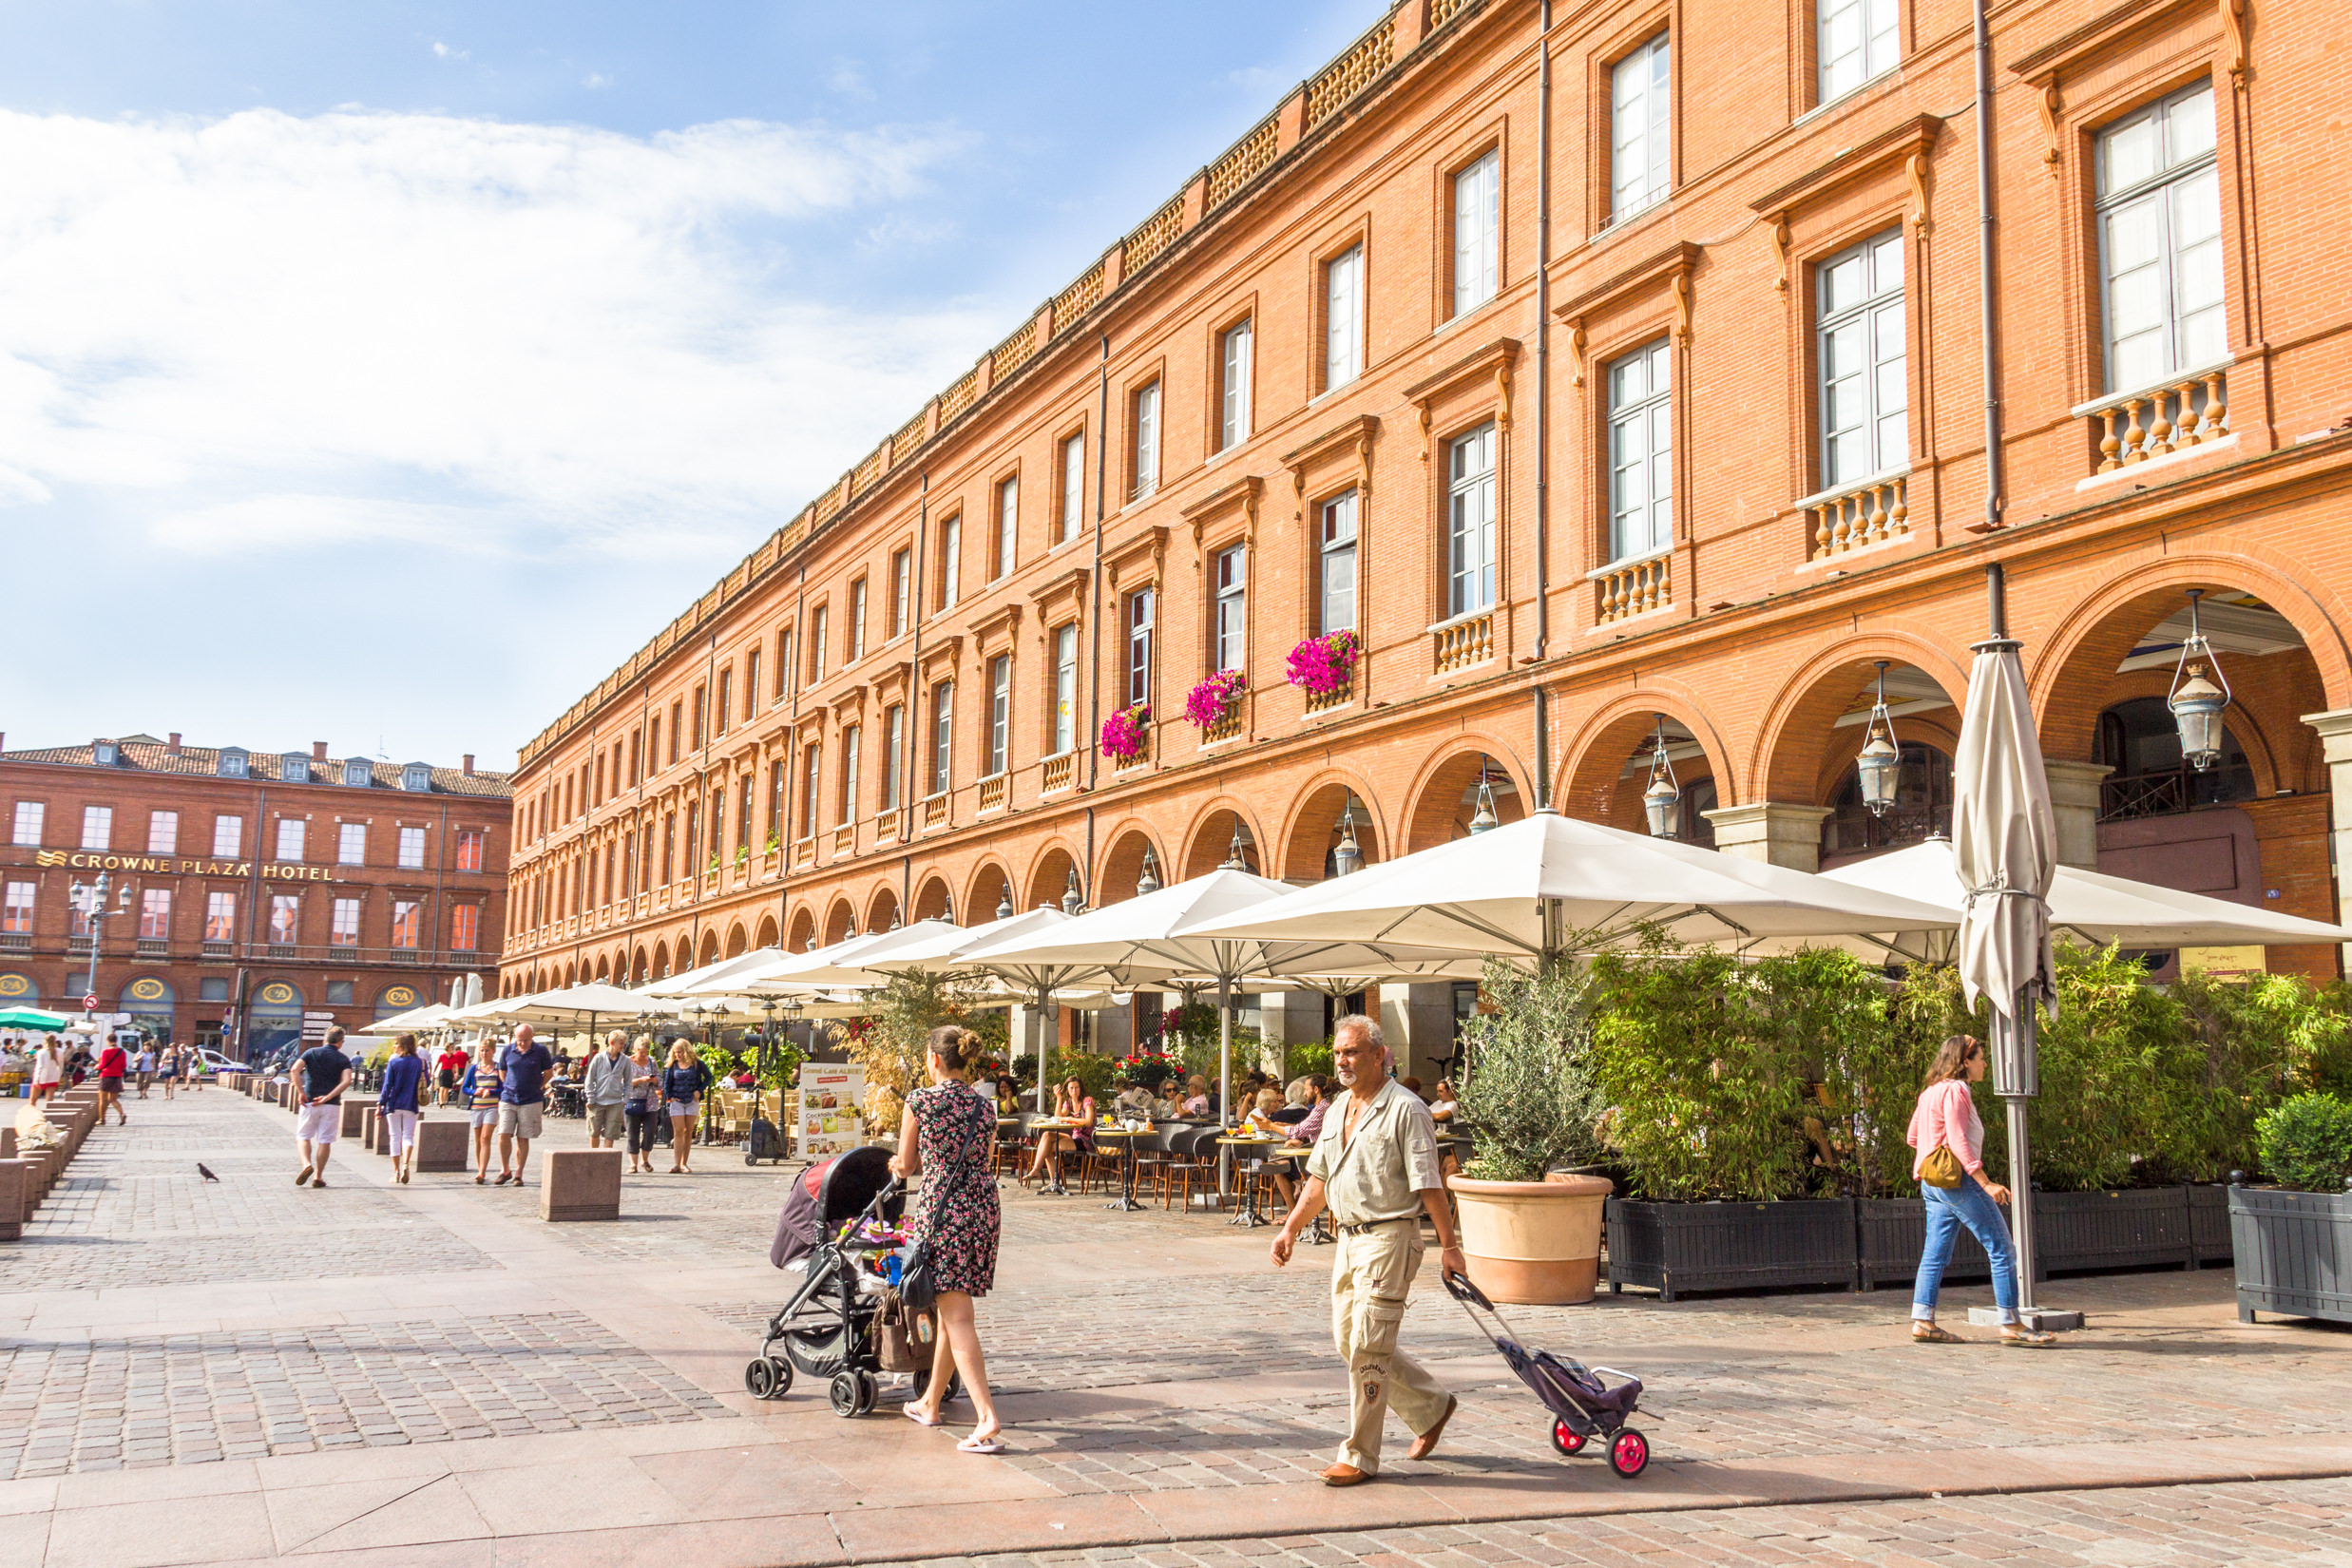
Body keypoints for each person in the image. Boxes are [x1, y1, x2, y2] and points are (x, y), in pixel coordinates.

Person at [1269, 1015, 1464, 1486]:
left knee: (1369, 1347)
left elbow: (1429, 1182)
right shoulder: (1336, 1109)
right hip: (1348, 1241)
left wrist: (1450, 1248)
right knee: (1347, 1342)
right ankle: (1431, 1406)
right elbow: (1318, 1179)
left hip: (1389, 1237)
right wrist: (1290, 1228)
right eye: (1338, 1052)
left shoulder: (1407, 1109)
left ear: (1380, 1055)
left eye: (1352, 1051)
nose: (1342, 1060)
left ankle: (1359, 1455)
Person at [891, 1024, 1006, 1453]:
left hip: (943, 1211)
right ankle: (930, 1402)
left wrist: (892, 1164)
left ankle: (986, 1418)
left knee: (958, 1316)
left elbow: (906, 1164)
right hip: (983, 1209)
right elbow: (986, 1158)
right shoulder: (985, 1105)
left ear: (935, 1059)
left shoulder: (920, 1101)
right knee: (949, 1305)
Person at [1906, 1034, 2058, 1348]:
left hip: (1931, 1183)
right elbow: (1959, 1140)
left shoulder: (1930, 1092)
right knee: (2002, 1248)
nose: (1985, 1063)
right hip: (1958, 1182)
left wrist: (1934, 1152)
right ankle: (2012, 1323)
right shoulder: (1957, 1090)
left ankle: (1923, 1321)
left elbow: (1912, 1137)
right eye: (1980, 1058)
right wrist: (1985, 1182)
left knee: (1935, 1253)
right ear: (1964, 1062)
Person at [294, 1025, 355, 1188]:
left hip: (309, 1101)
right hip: (331, 1105)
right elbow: (347, 1080)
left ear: (325, 1038)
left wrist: (300, 1092)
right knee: (325, 1141)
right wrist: (328, 1096)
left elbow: (294, 1069)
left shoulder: (311, 1053)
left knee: (303, 1136)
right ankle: (318, 1177)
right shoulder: (343, 1059)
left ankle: (306, 1164)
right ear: (341, 1042)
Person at [493, 1023, 554, 1187]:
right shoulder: (508, 1050)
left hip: (531, 1100)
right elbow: (502, 1071)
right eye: (519, 1040)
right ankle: (505, 1170)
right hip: (508, 1098)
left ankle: (519, 1172)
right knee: (503, 1134)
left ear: (532, 1037)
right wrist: (509, 1085)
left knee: (523, 1137)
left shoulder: (541, 1051)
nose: (521, 1043)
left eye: (525, 1040)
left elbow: (549, 1073)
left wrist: (539, 1086)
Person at [378, 1032, 426, 1184]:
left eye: (396, 1043)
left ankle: (396, 1171)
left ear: (403, 1045)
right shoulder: (420, 1063)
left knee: (394, 1137)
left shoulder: (394, 1062)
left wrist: (380, 1104)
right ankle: (406, 1163)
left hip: (393, 1104)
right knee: (408, 1137)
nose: (394, 1046)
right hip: (411, 1104)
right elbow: (427, 1083)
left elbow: (387, 1086)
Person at [662, 1040, 710, 1174]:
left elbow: (708, 1077)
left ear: (686, 1051)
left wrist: (699, 1090)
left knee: (688, 1131)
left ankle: (684, 1163)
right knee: (678, 1131)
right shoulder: (673, 1065)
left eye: (680, 1052)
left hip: (691, 1100)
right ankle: (677, 1164)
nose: (678, 1055)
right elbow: (667, 1082)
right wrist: (670, 1096)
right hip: (677, 1100)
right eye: (676, 1052)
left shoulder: (697, 1064)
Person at [462, 1040, 503, 1183]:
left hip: (492, 1106)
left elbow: (503, 1088)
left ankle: (482, 1172)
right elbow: (464, 1088)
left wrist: (490, 1091)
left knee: (486, 1138)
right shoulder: (474, 1068)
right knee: (478, 1140)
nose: (484, 1053)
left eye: (487, 1050)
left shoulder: (498, 1068)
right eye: (481, 1050)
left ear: (493, 1051)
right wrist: (475, 1091)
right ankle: (480, 1169)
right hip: (476, 1107)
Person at [584, 1030, 631, 1152]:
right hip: (597, 1100)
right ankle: (594, 1156)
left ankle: (604, 1160)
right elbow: (589, 1079)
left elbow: (628, 1081)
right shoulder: (598, 1058)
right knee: (594, 1132)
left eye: (624, 1044)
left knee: (611, 1134)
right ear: (612, 1042)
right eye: (621, 1043)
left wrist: (625, 1099)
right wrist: (590, 1097)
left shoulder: (625, 1060)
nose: (623, 1046)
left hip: (615, 1101)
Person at [623, 1036, 662, 1173]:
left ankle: (645, 1160)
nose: (644, 1055)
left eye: (646, 1052)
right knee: (632, 1133)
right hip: (632, 1101)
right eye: (641, 1052)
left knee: (650, 1131)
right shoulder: (628, 1062)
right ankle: (632, 1164)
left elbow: (659, 1078)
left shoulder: (651, 1061)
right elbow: (624, 1083)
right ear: (635, 1050)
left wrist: (654, 1081)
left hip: (650, 1102)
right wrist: (640, 1080)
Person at [95, 1036, 129, 1125]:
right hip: (117, 1077)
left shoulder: (105, 1051)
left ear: (108, 1041)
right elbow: (123, 1065)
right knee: (113, 1099)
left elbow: (102, 1065)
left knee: (103, 1099)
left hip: (106, 1076)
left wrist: (96, 1066)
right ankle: (122, 1113)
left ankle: (102, 1119)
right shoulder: (122, 1052)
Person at [29, 1036, 63, 1106]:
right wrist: (58, 1077)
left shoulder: (41, 1052)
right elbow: (61, 1066)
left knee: (33, 1100)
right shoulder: (60, 1052)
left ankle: (32, 1114)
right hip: (53, 1077)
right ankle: (49, 1114)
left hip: (41, 1077)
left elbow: (40, 1067)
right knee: (49, 1100)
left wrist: (36, 1079)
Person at [435, 1041, 468, 1107]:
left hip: (450, 1072)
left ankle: (443, 1102)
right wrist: (433, 1072)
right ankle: (441, 1103)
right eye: (451, 1047)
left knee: (447, 1089)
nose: (452, 1048)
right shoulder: (442, 1056)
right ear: (447, 1048)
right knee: (442, 1088)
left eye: (453, 1047)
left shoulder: (453, 1057)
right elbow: (437, 1064)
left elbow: (455, 1065)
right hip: (443, 1071)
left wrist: (456, 1073)